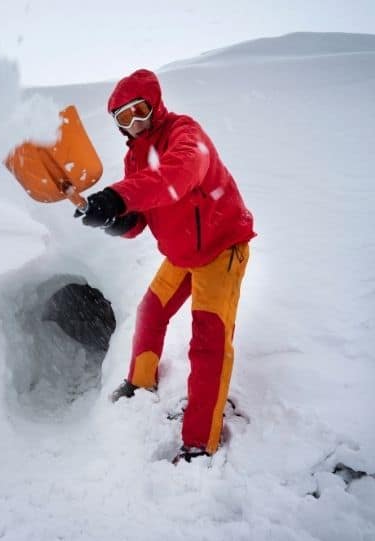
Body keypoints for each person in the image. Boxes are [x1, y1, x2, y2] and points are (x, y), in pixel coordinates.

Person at [77, 69, 256, 465]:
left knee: (208, 344)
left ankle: (199, 443)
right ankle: (140, 383)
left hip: (220, 248)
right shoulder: (134, 156)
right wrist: (115, 220)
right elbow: (140, 216)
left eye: (139, 111)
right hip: (183, 254)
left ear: (155, 105)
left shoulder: (184, 133)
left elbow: (177, 175)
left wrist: (116, 197)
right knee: (151, 311)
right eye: (123, 119)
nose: (134, 124)